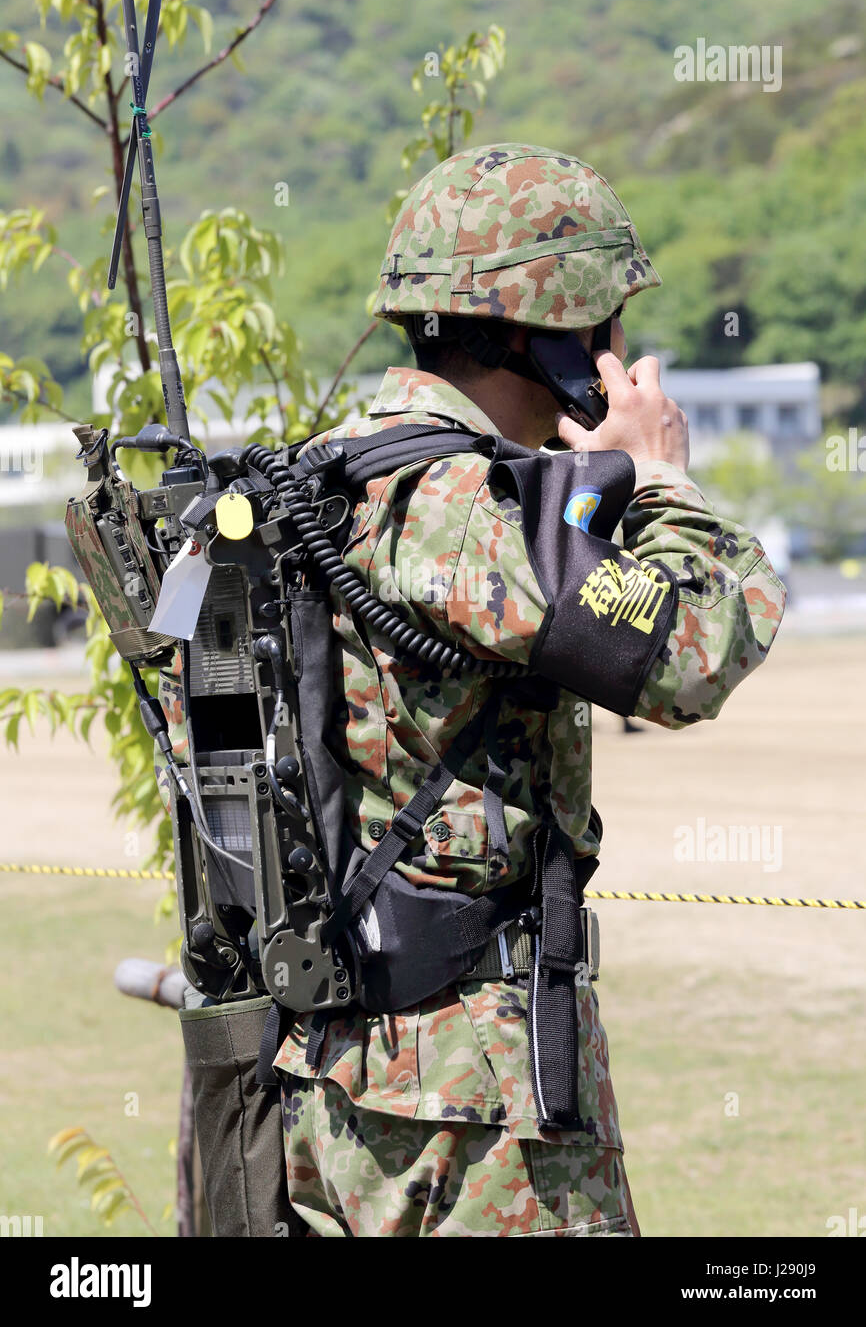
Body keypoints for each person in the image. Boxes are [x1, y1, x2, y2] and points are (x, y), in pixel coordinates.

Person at [269, 142, 786, 1236]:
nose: (617, 352)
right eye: (602, 325)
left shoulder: (329, 472)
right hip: (477, 1096)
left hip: (345, 1072)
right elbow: (698, 653)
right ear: (546, 332)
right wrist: (661, 482)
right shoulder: (463, 503)